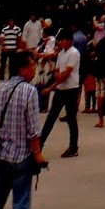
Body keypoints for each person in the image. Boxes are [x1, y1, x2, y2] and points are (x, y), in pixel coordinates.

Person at [0, 50, 46, 209]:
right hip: (21, 158)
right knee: (20, 206)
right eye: (32, 65)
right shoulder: (30, 91)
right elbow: (33, 130)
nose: (34, 69)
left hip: (2, 157)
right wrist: (38, 154)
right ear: (22, 69)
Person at [39, 28, 80, 158]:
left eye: (62, 40)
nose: (60, 43)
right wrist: (58, 76)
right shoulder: (62, 53)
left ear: (68, 41)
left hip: (71, 89)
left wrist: (50, 88)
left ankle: (73, 147)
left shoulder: (74, 53)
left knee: (71, 119)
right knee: (51, 118)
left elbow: (65, 75)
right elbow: (57, 71)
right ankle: (39, 145)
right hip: (61, 89)